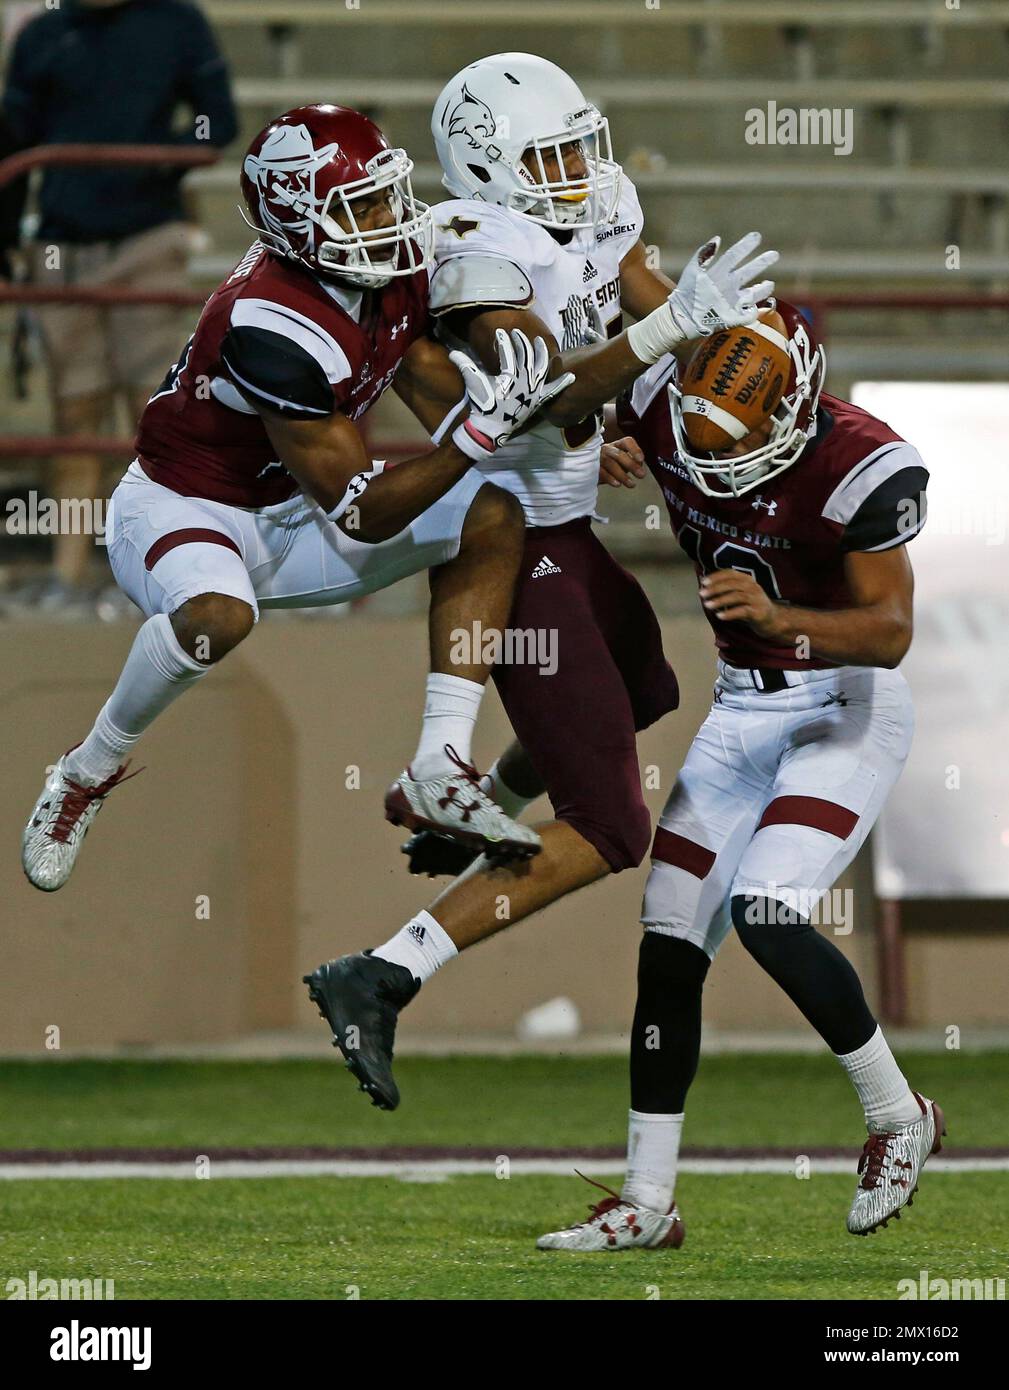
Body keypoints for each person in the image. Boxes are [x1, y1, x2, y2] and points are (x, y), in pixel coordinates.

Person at [302, 54, 779, 1112]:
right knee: (612, 826)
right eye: (549, 156)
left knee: (649, 686)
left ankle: (459, 812)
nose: (579, 172)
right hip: (524, 541)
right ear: (482, 167)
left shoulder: (597, 203)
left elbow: (631, 299)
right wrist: (656, 341)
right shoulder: (477, 246)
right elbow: (533, 391)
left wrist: (713, 351)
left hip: (569, 520)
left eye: (580, 146)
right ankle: (382, 973)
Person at [21, 104, 568, 892]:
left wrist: (527, 434)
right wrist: (480, 435)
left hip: (293, 511)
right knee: (217, 617)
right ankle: (84, 770)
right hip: (187, 508)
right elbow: (361, 509)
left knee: (491, 513)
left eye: (387, 194)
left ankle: (438, 764)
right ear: (298, 225)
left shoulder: (385, 264)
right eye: (362, 207)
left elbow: (411, 368)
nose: (388, 218)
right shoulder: (270, 326)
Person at [535, 302, 944, 1250]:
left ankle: (896, 1117)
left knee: (765, 907)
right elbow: (569, 390)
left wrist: (775, 616)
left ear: (797, 408)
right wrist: (588, 445)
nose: (714, 468)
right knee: (668, 941)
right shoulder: (665, 399)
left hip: (840, 704)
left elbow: (889, 634)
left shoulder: (859, 465)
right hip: (739, 709)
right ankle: (645, 1200)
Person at [1, 0, 238, 607]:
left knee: (148, 414)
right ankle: (68, 575)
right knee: (74, 416)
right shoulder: (44, 36)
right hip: (61, 250)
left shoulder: (177, 23)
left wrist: (167, 157)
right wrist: (6, 240)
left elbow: (219, 120)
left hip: (146, 239)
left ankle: (153, 571)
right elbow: (13, 142)